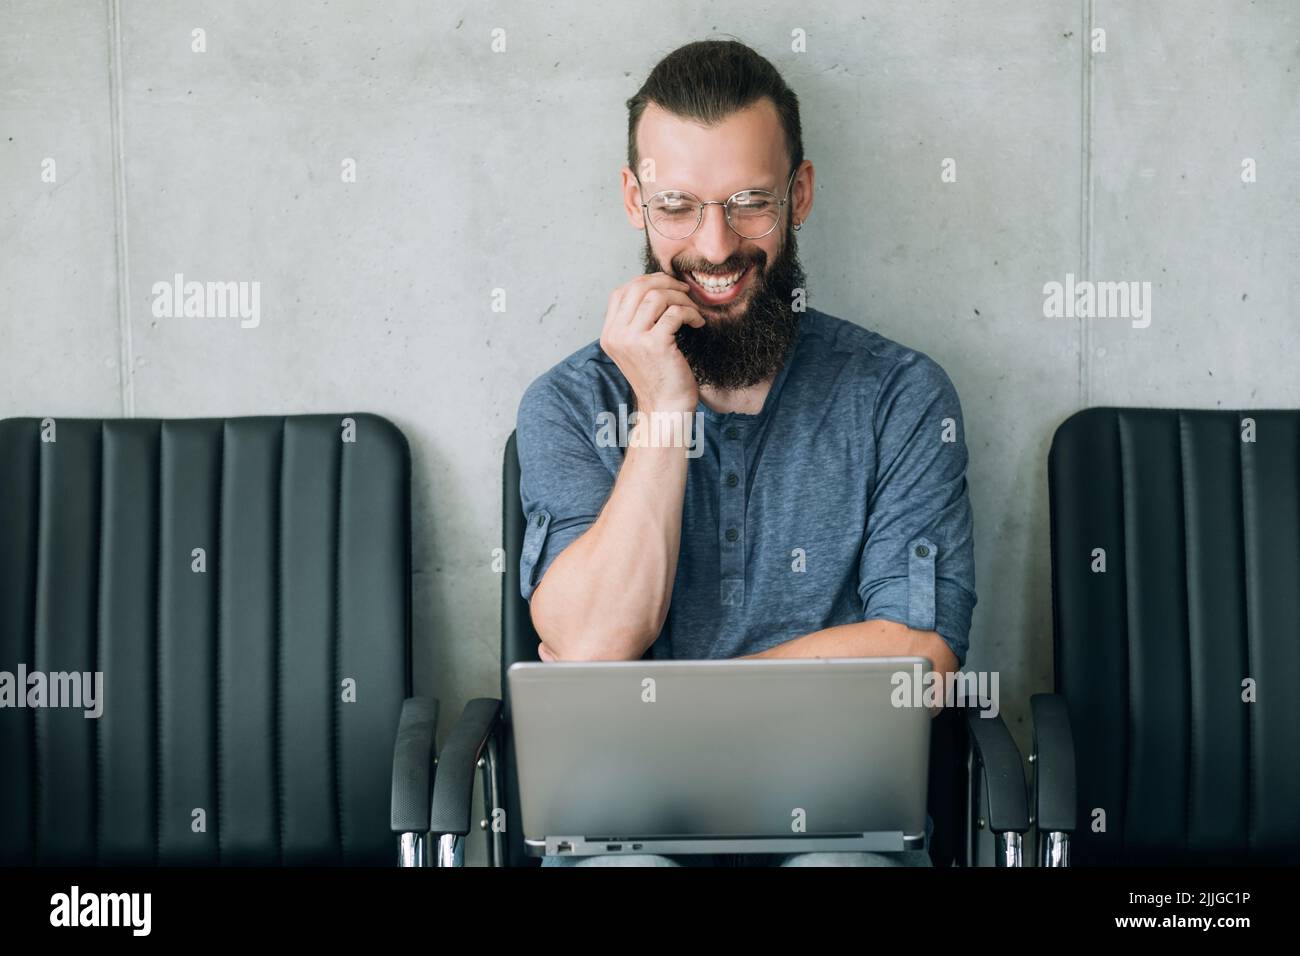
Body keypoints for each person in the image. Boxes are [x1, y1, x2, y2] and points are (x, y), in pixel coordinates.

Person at [516, 38, 976, 867]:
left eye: (749, 201)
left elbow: (920, 658)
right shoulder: (568, 404)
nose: (717, 246)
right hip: (620, 835)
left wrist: (675, 705)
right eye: (679, 205)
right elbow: (589, 644)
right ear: (634, 201)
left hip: (842, 831)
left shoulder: (901, 397)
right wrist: (663, 410)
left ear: (799, 193)